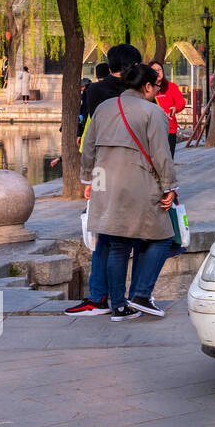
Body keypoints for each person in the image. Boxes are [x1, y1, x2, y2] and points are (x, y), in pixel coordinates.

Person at [79, 63, 178, 321]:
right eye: (156, 86)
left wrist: (87, 180)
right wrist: (170, 186)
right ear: (147, 86)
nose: (157, 90)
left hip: (104, 185)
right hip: (139, 185)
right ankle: (142, 295)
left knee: (118, 244)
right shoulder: (153, 112)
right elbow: (161, 154)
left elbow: (88, 148)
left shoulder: (103, 108)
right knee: (163, 237)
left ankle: (119, 307)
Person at [64, 42, 142, 317]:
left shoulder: (95, 91)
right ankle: (129, 297)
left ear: (110, 66)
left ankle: (99, 296)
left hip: (99, 171)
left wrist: (88, 181)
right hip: (132, 173)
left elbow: (89, 136)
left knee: (102, 233)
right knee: (124, 238)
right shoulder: (137, 94)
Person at [149, 60, 187, 157]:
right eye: (154, 70)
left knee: (168, 160)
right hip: (153, 130)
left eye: (160, 69)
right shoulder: (147, 89)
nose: (158, 72)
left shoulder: (171, 87)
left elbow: (181, 102)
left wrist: (175, 108)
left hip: (170, 129)